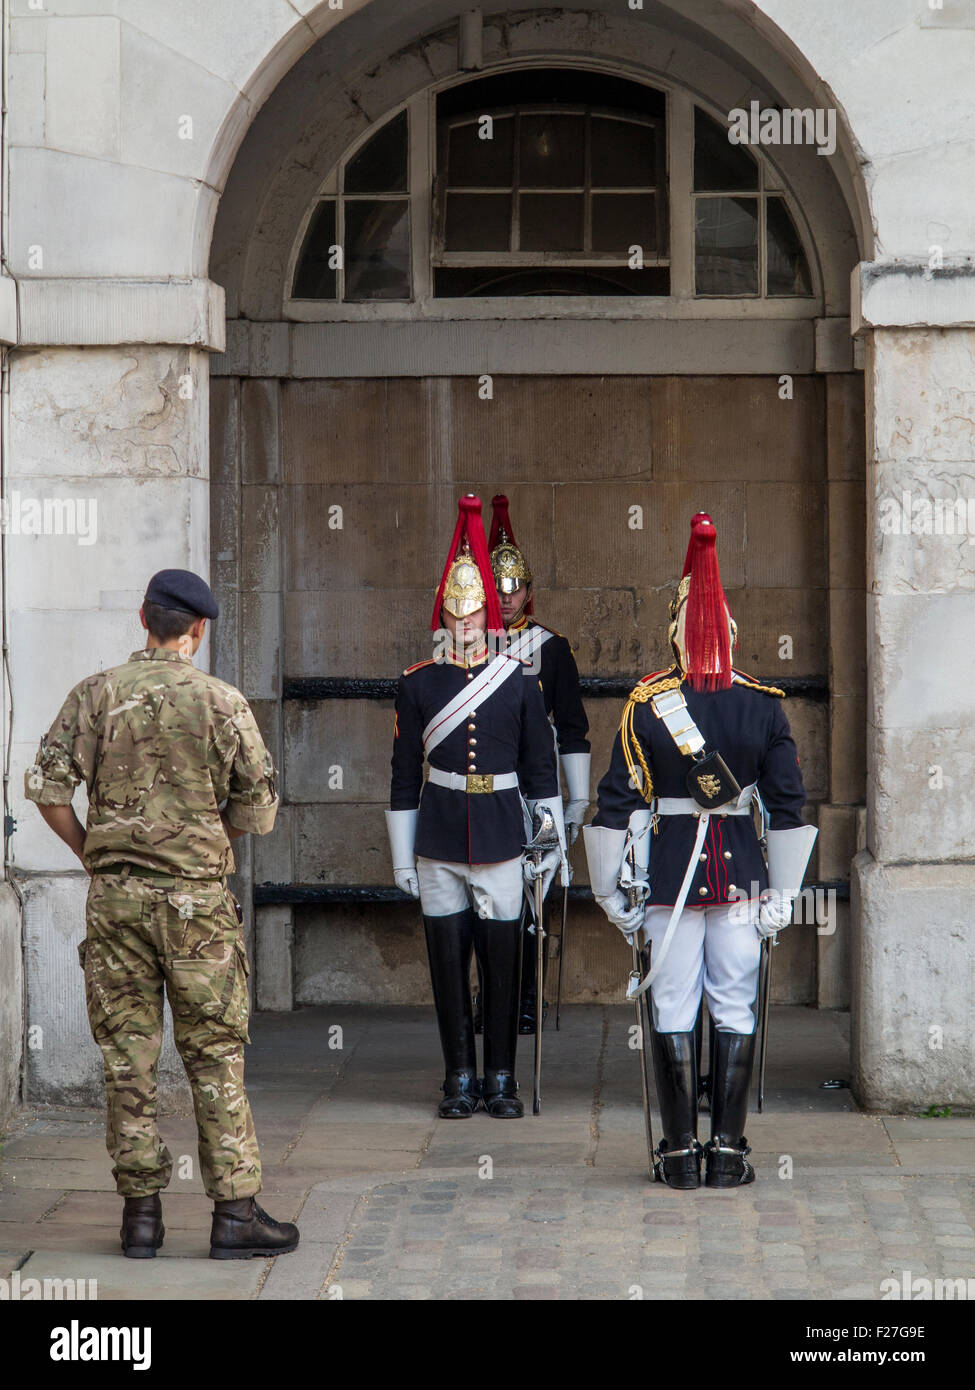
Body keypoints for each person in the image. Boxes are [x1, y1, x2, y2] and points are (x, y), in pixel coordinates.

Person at [25, 569, 299, 1259]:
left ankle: (140, 1219)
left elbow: (47, 789)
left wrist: (93, 851)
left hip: (116, 901)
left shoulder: (95, 694)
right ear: (197, 630)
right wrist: (200, 843)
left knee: (127, 1060)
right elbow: (257, 809)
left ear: (143, 618)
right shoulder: (222, 702)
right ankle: (234, 1214)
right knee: (213, 1055)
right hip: (198, 906)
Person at [584, 514, 817, 1188]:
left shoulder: (645, 704)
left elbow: (615, 804)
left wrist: (609, 895)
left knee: (673, 1005)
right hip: (742, 876)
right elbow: (788, 806)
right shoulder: (763, 707)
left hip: (667, 881)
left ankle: (678, 1156)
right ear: (731, 632)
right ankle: (729, 1153)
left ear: (675, 632)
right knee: (737, 1006)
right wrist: (781, 896)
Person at [386, 494, 566, 1119]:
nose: (464, 626)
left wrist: (549, 844)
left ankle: (501, 1077)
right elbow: (404, 775)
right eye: (454, 616)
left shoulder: (518, 679)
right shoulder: (418, 682)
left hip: (499, 836)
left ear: (488, 616)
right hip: (438, 835)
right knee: (446, 961)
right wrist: (401, 857)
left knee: (502, 960)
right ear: (443, 616)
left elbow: (540, 769)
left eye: (473, 616)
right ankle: (458, 1076)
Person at [482, 493, 591, 1031]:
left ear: (528, 590)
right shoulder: (466, 648)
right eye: (496, 587)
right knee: (483, 898)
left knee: (531, 902)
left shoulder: (552, 648)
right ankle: (490, 998)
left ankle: (525, 999)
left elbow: (572, 727)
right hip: (487, 790)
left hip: (539, 793)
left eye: (514, 587)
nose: (505, 598)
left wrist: (578, 800)